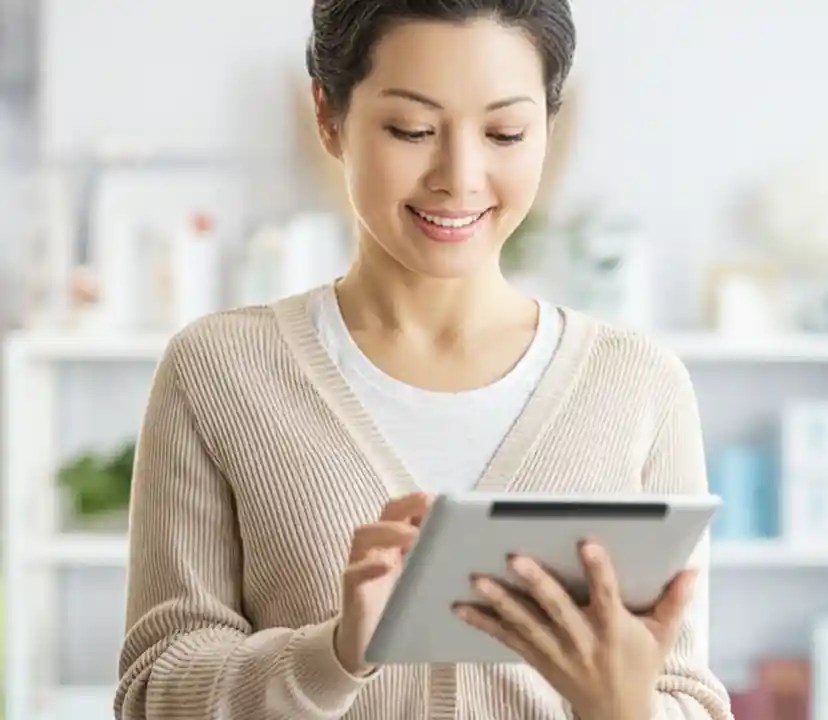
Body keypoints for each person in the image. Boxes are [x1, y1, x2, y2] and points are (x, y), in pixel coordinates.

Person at [113, 1, 731, 718]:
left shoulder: (638, 386)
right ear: (329, 115)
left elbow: (688, 695)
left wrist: (623, 706)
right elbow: (153, 692)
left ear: (546, 129)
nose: (460, 177)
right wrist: (336, 654)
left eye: (505, 132)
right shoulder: (217, 371)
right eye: (412, 130)